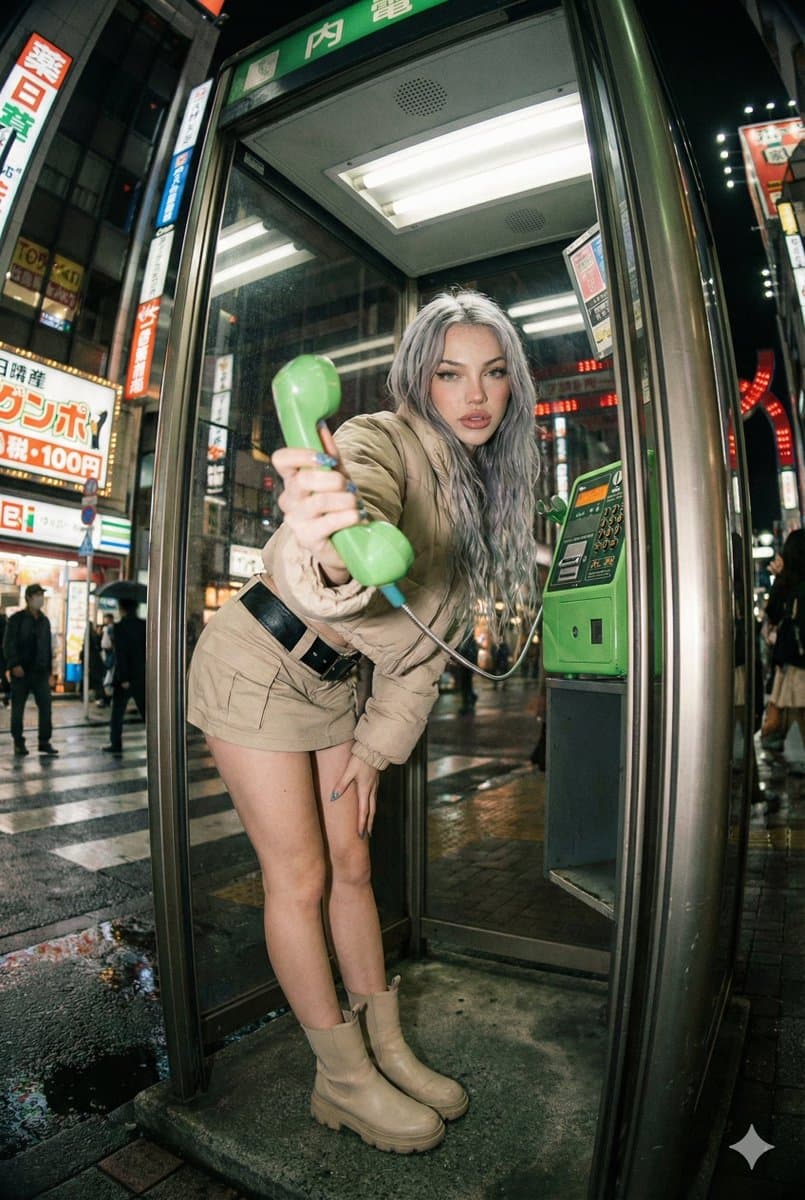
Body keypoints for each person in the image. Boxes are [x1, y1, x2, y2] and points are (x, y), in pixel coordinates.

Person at [186, 290, 541, 1154]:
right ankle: (339, 1079)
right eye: (450, 372)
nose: (474, 394)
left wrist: (377, 753)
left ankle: (382, 1044)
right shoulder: (381, 440)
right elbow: (343, 524)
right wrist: (331, 535)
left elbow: (417, 657)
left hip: (337, 687)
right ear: (419, 377)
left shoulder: (475, 492)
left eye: (493, 374)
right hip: (258, 662)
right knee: (299, 876)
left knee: (354, 862)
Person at [762, 528, 805, 750]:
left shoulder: (788, 584)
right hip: (794, 660)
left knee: (795, 711)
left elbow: (773, 614)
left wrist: (779, 577)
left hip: (793, 662)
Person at [3, 583, 58, 756]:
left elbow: (47, 647)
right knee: (18, 708)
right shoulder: (16, 619)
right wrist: (13, 664)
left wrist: (50, 671)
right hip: (21, 671)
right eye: (37, 595)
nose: (40, 598)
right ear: (29, 598)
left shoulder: (45, 621)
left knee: (46, 706)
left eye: (41, 595)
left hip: (40, 672)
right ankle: (18, 741)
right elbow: (8, 644)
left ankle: (44, 741)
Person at [104, 596, 146, 754]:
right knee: (147, 713)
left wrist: (124, 677)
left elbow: (121, 654)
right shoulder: (144, 625)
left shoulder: (120, 627)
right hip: (141, 676)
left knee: (117, 713)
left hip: (125, 678)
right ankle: (158, 742)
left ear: (122, 609)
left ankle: (116, 744)